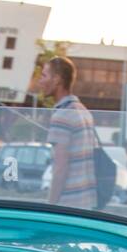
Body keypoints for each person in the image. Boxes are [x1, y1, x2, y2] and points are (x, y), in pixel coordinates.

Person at [37, 56, 96, 209]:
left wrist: (50, 206)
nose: (40, 81)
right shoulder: (83, 111)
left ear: (56, 79)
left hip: (68, 206)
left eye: (44, 75)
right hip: (86, 203)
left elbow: (60, 169)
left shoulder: (62, 116)